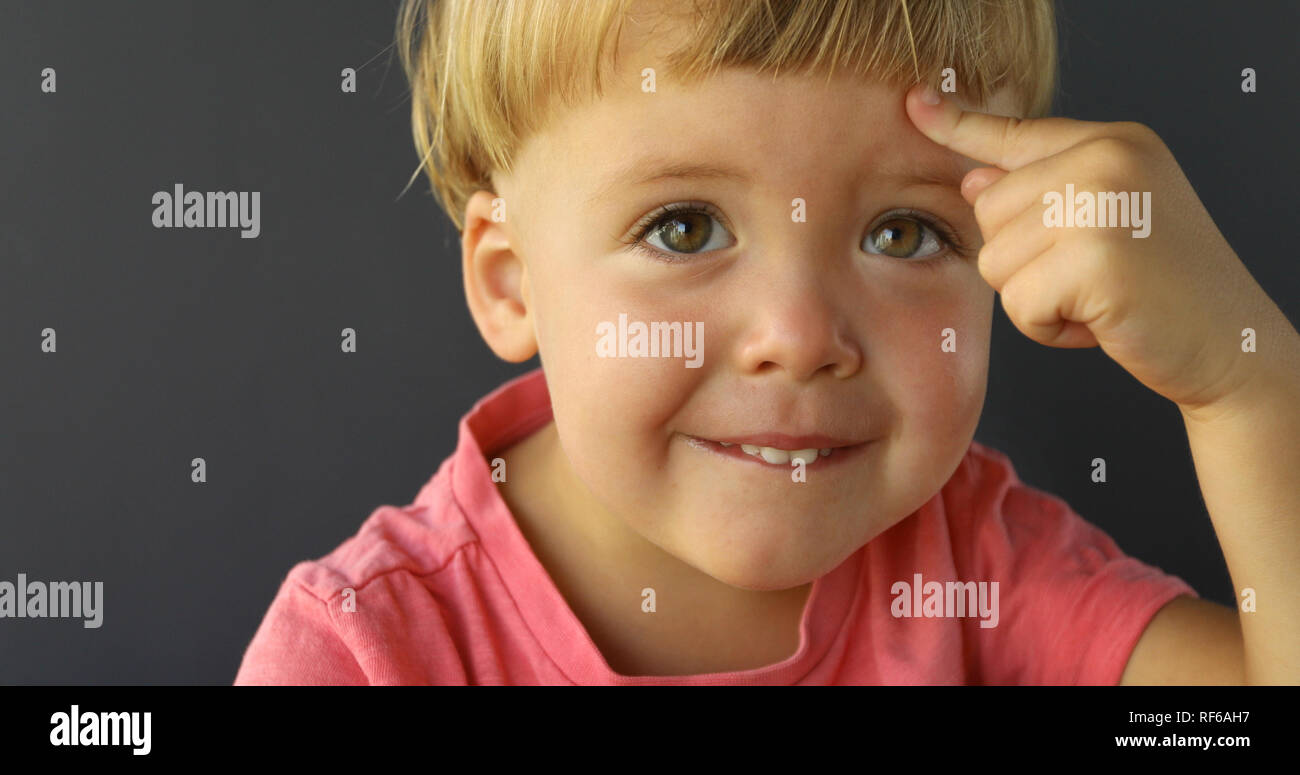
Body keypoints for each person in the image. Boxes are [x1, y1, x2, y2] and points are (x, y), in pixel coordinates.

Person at [234, 0, 1299, 685]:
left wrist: (1248, 386)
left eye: (902, 232)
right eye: (683, 228)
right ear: (511, 281)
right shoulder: (365, 654)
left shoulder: (979, 570)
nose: (799, 339)